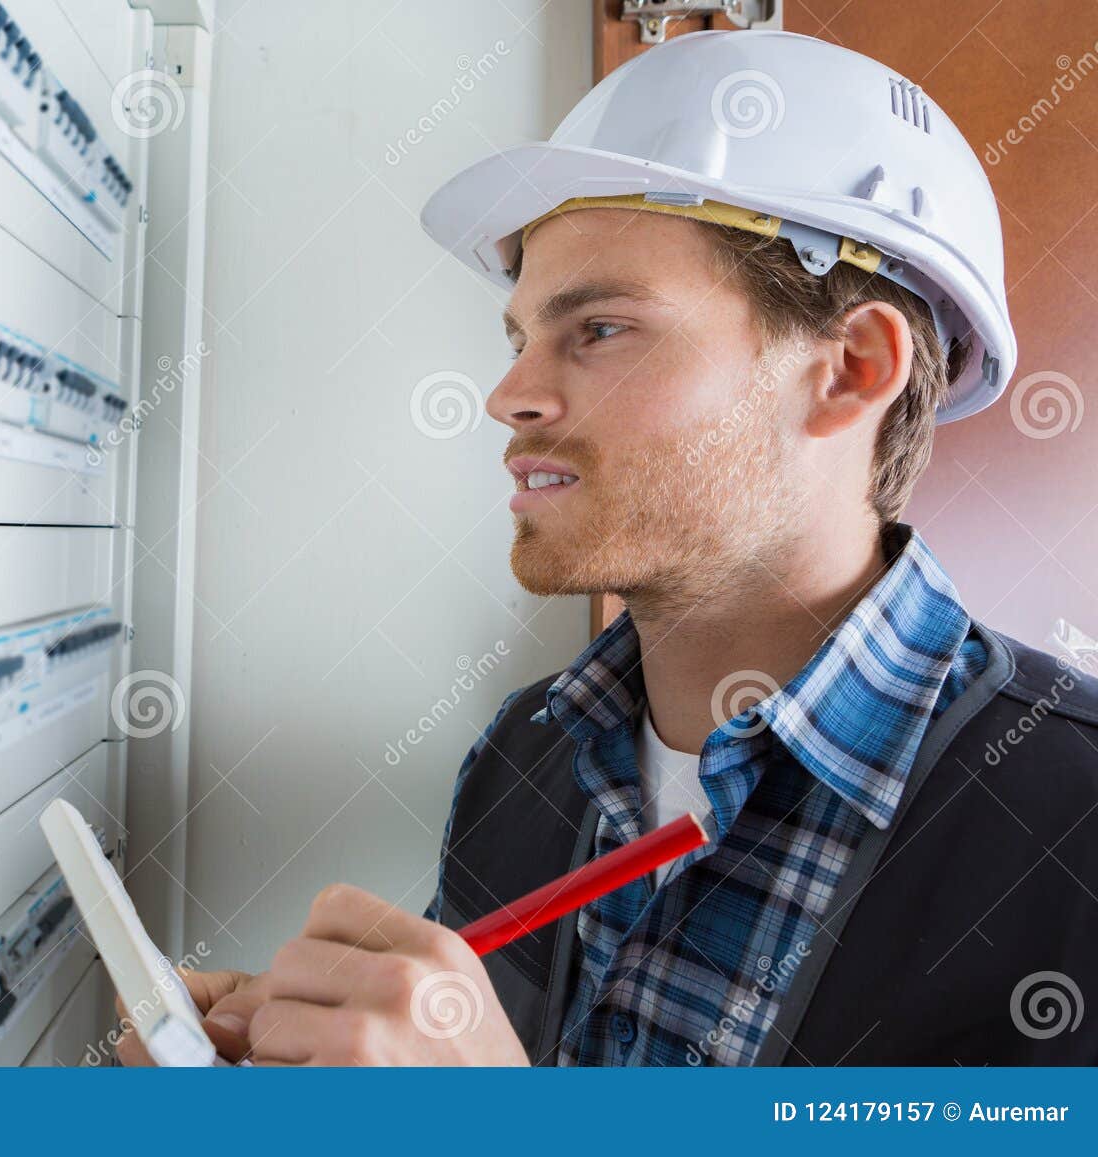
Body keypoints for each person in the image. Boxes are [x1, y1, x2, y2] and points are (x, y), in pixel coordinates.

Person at [120, 29, 1098, 1067]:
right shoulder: (522, 760)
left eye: (599, 329)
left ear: (850, 369)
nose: (509, 395)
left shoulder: (1069, 822)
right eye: (519, 339)